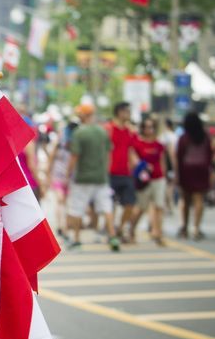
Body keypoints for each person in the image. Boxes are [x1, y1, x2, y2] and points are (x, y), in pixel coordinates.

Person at [66, 102, 118, 250]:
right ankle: (113, 237)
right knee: (106, 207)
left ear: (83, 115)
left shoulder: (79, 133)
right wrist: (106, 171)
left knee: (77, 208)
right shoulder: (102, 132)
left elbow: (74, 156)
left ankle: (76, 239)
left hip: (82, 178)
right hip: (101, 177)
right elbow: (109, 154)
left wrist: (68, 174)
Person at [130, 115, 170, 246]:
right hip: (143, 180)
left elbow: (162, 161)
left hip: (158, 179)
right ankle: (131, 230)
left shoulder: (159, 144)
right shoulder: (137, 142)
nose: (149, 130)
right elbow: (133, 159)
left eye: (151, 127)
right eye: (146, 127)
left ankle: (158, 233)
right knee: (141, 208)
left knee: (159, 207)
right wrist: (142, 166)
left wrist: (164, 177)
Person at [176, 111, 214, 240]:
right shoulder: (205, 137)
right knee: (199, 200)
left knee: (186, 200)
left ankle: (185, 227)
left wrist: (177, 174)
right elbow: (209, 155)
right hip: (201, 170)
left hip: (186, 171)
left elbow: (179, 156)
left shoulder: (184, 138)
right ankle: (196, 228)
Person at [107, 101, 140, 242]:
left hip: (126, 174)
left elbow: (132, 150)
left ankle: (120, 228)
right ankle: (112, 232)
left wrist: (136, 166)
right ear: (120, 112)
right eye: (127, 111)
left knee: (130, 203)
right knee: (110, 205)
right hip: (110, 173)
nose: (129, 114)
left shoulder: (130, 131)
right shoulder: (109, 129)